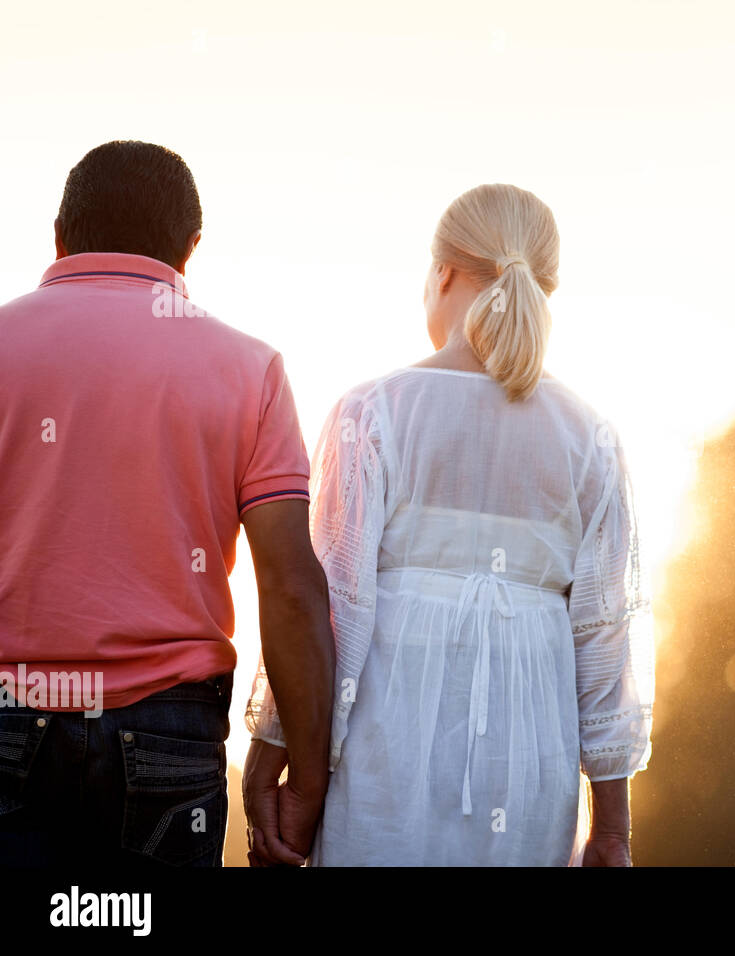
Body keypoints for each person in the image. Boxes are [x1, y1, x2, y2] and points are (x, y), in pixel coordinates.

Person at [246, 183, 654, 865]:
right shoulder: (593, 438)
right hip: (531, 770)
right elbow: (603, 636)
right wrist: (612, 827)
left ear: (441, 274)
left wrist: (273, 761)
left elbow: (334, 610)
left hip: (384, 758)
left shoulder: (373, 412)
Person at [0, 141, 335, 867]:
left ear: (59, 236)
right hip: (168, 733)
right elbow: (289, 587)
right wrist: (306, 781)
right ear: (191, 248)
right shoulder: (252, 369)